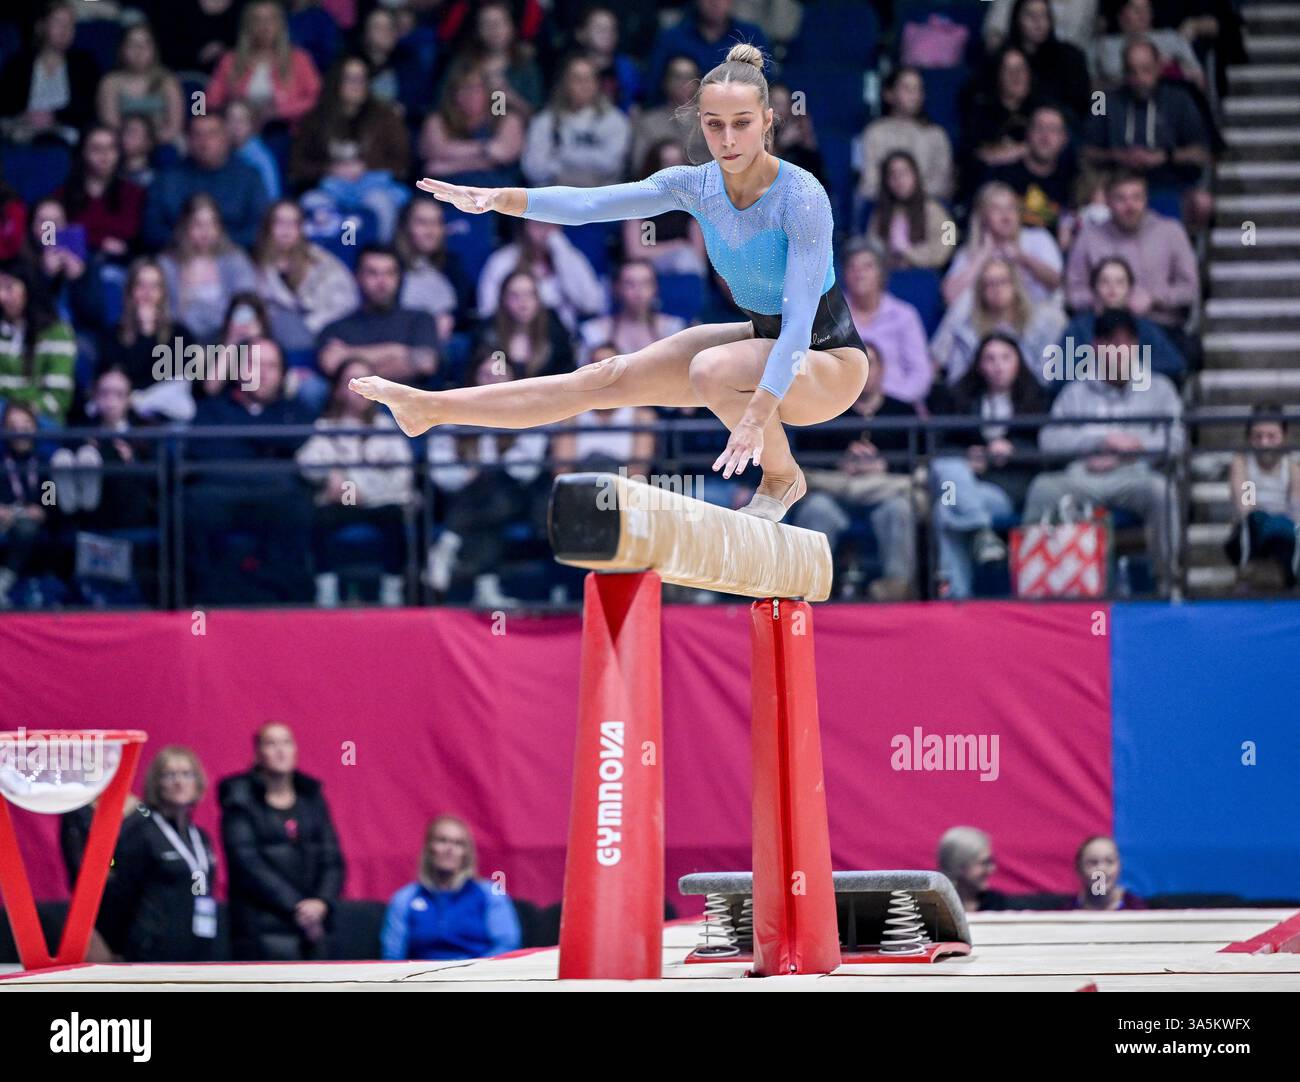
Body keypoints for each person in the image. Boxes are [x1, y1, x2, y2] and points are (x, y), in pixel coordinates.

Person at [354, 44, 871, 524]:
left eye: (742, 124)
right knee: (600, 379)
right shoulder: (695, 185)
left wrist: (756, 418)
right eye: (714, 126)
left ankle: (783, 477)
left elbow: (800, 323)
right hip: (763, 344)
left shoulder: (801, 196)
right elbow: (592, 204)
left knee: (712, 368)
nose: (728, 141)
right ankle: (429, 408)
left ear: (767, 121)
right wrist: (500, 200)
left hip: (828, 365)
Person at [1023, 309, 1184, 586]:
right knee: (1042, 488)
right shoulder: (1075, 391)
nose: (1119, 351)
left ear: (1136, 346)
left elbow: (1178, 441)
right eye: (1110, 343)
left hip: (1137, 476)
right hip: (1083, 477)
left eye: (1126, 343)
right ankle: (1034, 584)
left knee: (1163, 491)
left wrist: (1136, 447)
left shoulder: (1160, 388)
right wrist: (1098, 441)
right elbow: (1048, 441)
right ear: (1096, 347)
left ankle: (1169, 585)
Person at [790, 343, 919, 601]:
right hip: (836, 494)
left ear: (883, 370)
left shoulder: (903, 411)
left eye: (871, 363)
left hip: (884, 495)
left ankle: (897, 589)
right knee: (816, 508)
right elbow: (805, 464)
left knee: (899, 509)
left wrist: (883, 466)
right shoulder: (823, 409)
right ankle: (806, 591)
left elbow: (919, 463)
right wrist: (842, 463)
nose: (865, 371)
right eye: (858, 363)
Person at [927, 333, 1049, 599]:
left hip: (1006, 489)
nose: (998, 365)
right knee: (946, 475)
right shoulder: (960, 398)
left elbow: (1049, 449)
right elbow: (940, 446)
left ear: (1018, 362)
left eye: (1005, 357)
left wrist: (1012, 452)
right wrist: (972, 455)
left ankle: (954, 598)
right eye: (990, 358)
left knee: (946, 507)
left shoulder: (1037, 399)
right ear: (980, 365)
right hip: (966, 482)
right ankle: (982, 533)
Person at [424, 351, 549, 606]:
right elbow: (440, 472)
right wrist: (466, 474)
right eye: (485, 375)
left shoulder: (530, 413)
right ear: (473, 379)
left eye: (500, 375)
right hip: (470, 497)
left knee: (493, 483)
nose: (492, 382)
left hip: (517, 495)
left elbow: (526, 468)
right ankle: (486, 588)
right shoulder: (453, 415)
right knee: (489, 507)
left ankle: (449, 541)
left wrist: (485, 467)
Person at [219, 722, 346, 961]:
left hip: (314, 929)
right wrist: (298, 907)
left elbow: (332, 859)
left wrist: (321, 903)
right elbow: (247, 865)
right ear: (258, 753)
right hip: (261, 928)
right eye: (271, 743)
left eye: (286, 742)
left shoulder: (312, 798)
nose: (280, 750)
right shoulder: (240, 799)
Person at [296, 358, 414, 607]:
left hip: (381, 503)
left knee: (396, 518)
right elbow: (307, 464)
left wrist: (352, 483)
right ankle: (325, 590)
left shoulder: (388, 427)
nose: (360, 392)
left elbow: (403, 476)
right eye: (352, 383)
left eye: (365, 383)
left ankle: (393, 590)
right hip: (340, 506)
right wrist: (331, 476)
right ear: (339, 390)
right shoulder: (327, 426)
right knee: (318, 518)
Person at [98, 747, 221, 962]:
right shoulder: (140, 833)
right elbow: (119, 896)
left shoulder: (200, 836)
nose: (179, 782)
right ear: (157, 783)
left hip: (197, 945)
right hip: (151, 950)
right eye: (169, 775)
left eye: (186, 774)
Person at [1064, 172, 1199, 360]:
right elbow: (1072, 293)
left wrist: (1154, 298)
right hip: (1102, 332)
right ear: (1108, 201)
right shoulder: (1089, 236)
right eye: (1121, 198)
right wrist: (1102, 301)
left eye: (1137, 197)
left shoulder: (1171, 231)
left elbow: (1190, 290)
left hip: (1160, 326)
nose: (1130, 206)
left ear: (1146, 199)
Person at [290, 55, 411, 242]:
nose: (358, 85)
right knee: (311, 202)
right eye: (351, 79)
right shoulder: (315, 120)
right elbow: (297, 167)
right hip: (330, 187)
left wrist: (365, 167)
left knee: (381, 203)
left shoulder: (386, 117)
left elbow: (402, 163)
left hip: (374, 186)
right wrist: (331, 169)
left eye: (362, 79)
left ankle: (381, 258)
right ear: (336, 81)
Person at [381, 815, 522, 961]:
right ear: (429, 848)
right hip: (422, 979)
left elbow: (506, 946)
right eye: (442, 840)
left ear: (467, 852)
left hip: (476, 977)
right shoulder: (405, 898)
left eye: (458, 843)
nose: (450, 849)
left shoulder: (490, 894)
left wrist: (470, 972)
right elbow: (392, 956)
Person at [142, 111, 271, 250]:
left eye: (212, 134)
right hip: (178, 257)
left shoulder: (249, 177)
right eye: (197, 135)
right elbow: (151, 230)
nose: (204, 141)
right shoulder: (167, 178)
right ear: (188, 140)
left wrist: (217, 246)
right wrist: (190, 245)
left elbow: (259, 228)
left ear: (226, 138)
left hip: (235, 256)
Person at [317, 246, 439, 385]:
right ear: (357, 277)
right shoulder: (336, 327)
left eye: (389, 273)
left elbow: (426, 363)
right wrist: (397, 353)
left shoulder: (420, 319)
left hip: (405, 403)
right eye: (373, 273)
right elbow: (331, 364)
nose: (382, 282)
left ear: (399, 278)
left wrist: (350, 355)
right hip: (354, 403)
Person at [94, 257, 196, 423]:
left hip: (165, 417)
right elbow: (114, 377)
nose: (147, 293)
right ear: (130, 292)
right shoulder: (113, 335)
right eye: (141, 285)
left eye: (154, 286)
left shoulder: (180, 334)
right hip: (123, 415)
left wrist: (149, 334)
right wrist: (143, 333)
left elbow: (175, 383)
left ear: (163, 293)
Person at [254, 199, 358, 360]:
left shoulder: (321, 261)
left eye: (292, 223)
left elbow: (348, 299)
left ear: (301, 228)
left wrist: (312, 323)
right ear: (268, 227)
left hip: (322, 335)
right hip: (274, 342)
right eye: (279, 222)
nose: (286, 230)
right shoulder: (257, 266)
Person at [1059, 256, 1186, 385]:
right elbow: (1059, 375)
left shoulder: (1145, 328)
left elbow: (1174, 365)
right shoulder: (1077, 329)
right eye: (1104, 282)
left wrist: (1128, 369)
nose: (1112, 288)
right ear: (1094, 287)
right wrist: (1100, 372)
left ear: (1130, 289)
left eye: (1119, 282)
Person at [521, 54, 632, 189]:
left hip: (602, 199)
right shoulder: (544, 122)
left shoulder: (615, 120)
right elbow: (533, 169)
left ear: (597, 83)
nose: (584, 85)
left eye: (589, 78)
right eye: (577, 79)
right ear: (564, 83)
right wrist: (586, 167)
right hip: (555, 200)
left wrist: (562, 156)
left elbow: (612, 165)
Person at [840, 243, 931, 407]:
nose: (859, 273)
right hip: (843, 410)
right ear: (845, 275)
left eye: (867, 267)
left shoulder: (904, 316)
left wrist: (889, 401)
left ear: (881, 274)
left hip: (895, 410)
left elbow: (921, 374)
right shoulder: (830, 317)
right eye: (852, 267)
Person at [943, 182, 1062, 307]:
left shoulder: (1038, 237)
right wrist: (982, 256)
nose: (1006, 216)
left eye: (1011, 208)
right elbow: (950, 297)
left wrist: (1023, 258)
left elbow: (1057, 282)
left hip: (1038, 315)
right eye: (996, 209)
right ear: (983, 217)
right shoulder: (970, 251)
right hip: (985, 322)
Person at [157, 194, 258, 341]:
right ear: (185, 226)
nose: (206, 232)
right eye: (198, 224)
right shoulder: (168, 265)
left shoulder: (235, 261)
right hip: (181, 344)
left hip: (227, 343)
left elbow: (247, 303)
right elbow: (165, 313)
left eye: (212, 224)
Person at [205, 0, 322, 125]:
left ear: (281, 25)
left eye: (271, 19)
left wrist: (280, 111)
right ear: (248, 26)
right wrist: (198, 115)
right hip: (240, 131)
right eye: (257, 20)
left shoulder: (300, 59)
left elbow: (317, 98)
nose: (265, 26)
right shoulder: (229, 60)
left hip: (287, 129)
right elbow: (207, 100)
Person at [551, 342, 658, 477]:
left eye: (611, 368)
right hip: (581, 485)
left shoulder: (641, 416)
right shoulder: (571, 416)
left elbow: (639, 471)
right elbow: (562, 470)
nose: (604, 376)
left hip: (622, 486)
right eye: (598, 366)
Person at [0, 0, 98, 145]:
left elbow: (87, 107)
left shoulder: (84, 64)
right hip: (22, 127)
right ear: (41, 26)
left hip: (66, 129)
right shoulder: (19, 63)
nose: (64, 30)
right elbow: (6, 103)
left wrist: (53, 116)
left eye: (70, 24)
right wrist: (26, 116)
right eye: (58, 23)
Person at [419, 58, 526, 190]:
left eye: (476, 88)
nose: (470, 95)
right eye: (463, 88)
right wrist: (485, 149)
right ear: (453, 94)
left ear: (488, 91)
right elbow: (436, 151)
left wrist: (448, 166)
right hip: (447, 189)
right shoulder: (438, 119)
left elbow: (502, 154)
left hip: (494, 190)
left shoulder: (506, 118)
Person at [1225, 404, 1300, 590]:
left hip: (1284, 533)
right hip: (1253, 529)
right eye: (1258, 436)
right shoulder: (1242, 463)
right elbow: (1246, 505)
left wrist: (1282, 523)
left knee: (1292, 531)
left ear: (1283, 437)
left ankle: (1292, 583)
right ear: (1249, 438)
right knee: (1253, 522)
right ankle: (1246, 580)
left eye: (1271, 436)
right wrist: (1267, 521)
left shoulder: (1291, 468)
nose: (1264, 443)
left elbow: (1296, 508)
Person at [859, 66, 955, 203]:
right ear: (889, 94)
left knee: (946, 224)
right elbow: (869, 183)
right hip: (885, 207)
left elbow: (943, 184)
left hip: (926, 207)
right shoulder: (874, 133)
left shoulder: (936, 135)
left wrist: (911, 197)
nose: (914, 95)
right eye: (907, 88)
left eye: (918, 89)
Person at [981, 104, 1078, 237]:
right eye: (1039, 128)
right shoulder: (1002, 174)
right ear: (1028, 133)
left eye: (1053, 130)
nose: (1045, 136)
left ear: (1064, 139)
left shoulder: (1072, 180)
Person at [0, 259, 76, 423]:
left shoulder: (57, 333)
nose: (1, 296)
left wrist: (24, 411)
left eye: (8, 287)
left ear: (28, 289)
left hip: (43, 419)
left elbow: (59, 397)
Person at [56, 126, 146, 259]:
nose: (105, 155)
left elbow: (132, 232)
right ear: (83, 153)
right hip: (74, 263)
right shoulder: (62, 195)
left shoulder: (133, 194)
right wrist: (99, 242)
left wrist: (82, 235)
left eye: (111, 148)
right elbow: (50, 235)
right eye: (96, 148)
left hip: (121, 264)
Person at [620, 140, 708, 277]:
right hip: (647, 270)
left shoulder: (692, 207)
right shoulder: (639, 204)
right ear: (655, 167)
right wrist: (676, 246)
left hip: (685, 269)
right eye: (667, 162)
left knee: (686, 260)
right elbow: (635, 251)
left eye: (679, 162)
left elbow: (697, 257)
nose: (675, 168)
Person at [95, 21, 185, 150]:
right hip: (123, 143)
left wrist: (150, 142)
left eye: (146, 44)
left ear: (154, 49)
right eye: (132, 44)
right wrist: (134, 141)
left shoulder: (167, 80)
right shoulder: (110, 82)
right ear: (122, 49)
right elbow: (111, 125)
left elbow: (175, 125)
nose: (139, 50)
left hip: (164, 140)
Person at [578, 260, 685, 366]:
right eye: (629, 284)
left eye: (646, 283)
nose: (639, 292)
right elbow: (579, 376)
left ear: (655, 288)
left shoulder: (673, 329)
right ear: (617, 288)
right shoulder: (595, 331)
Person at [477, 269, 576, 379]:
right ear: (504, 299)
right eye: (515, 296)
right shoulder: (489, 331)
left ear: (538, 299)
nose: (523, 302)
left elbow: (569, 373)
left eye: (529, 294)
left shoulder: (554, 327)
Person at [1004, 0, 1091, 122]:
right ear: (1017, 19)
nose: (1038, 21)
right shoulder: (1005, 58)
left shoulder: (1071, 57)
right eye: (1030, 15)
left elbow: (1080, 106)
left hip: (1060, 130)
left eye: (1043, 15)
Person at [865, 151, 952, 272]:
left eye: (904, 173)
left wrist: (909, 256)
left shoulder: (936, 210)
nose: (899, 180)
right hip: (888, 275)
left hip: (924, 274)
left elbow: (949, 243)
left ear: (915, 175)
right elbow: (872, 247)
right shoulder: (879, 213)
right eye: (892, 175)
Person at [0, 401, 49, 608]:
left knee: (27, 528)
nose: (19, 431)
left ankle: (3, 583)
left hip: (30, 521)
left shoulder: (44, 462)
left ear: (35, 427)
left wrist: (43, 509)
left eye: (25, 425)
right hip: (4, 517)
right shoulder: (2, 462)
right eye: (14, 426)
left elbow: (50, 498)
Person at [937, 826, 1009, 912]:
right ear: (958, 866)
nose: (992, 869)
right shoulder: (932, 907)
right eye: (984, 863)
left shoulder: (1000, 906)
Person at [1072, 835, 1147, 910]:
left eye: (1109, 861)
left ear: (1119, 866)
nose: (1101, 870)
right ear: (1079, 868)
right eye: (1093, 862)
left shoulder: (1136, 908)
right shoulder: (1066, 910)